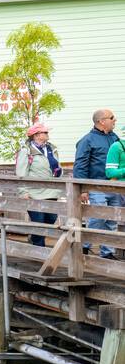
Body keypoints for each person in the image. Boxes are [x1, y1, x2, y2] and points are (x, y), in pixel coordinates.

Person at [76, 108, 122, 258]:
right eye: (112, 118)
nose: (115, 120)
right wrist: (82, 189)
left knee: (112, 220)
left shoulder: (115, 138)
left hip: (115, 186)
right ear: (102, 121)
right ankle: (84, 246)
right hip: (96, 186)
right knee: (98, 217)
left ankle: (107, 252)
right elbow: (80, 165)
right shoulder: (87, 140)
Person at [16, 121, 63, 247]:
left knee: (51, 219)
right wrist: (23, 192)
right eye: (45, 132)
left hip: (51, 191)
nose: (48, 134)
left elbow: (58, 166)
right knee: (38, 221)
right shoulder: (26, 151)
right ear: (36, 135)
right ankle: (39, 249)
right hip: (34, 192)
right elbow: (21, 171)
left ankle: (34, 238)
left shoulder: (51, 148)